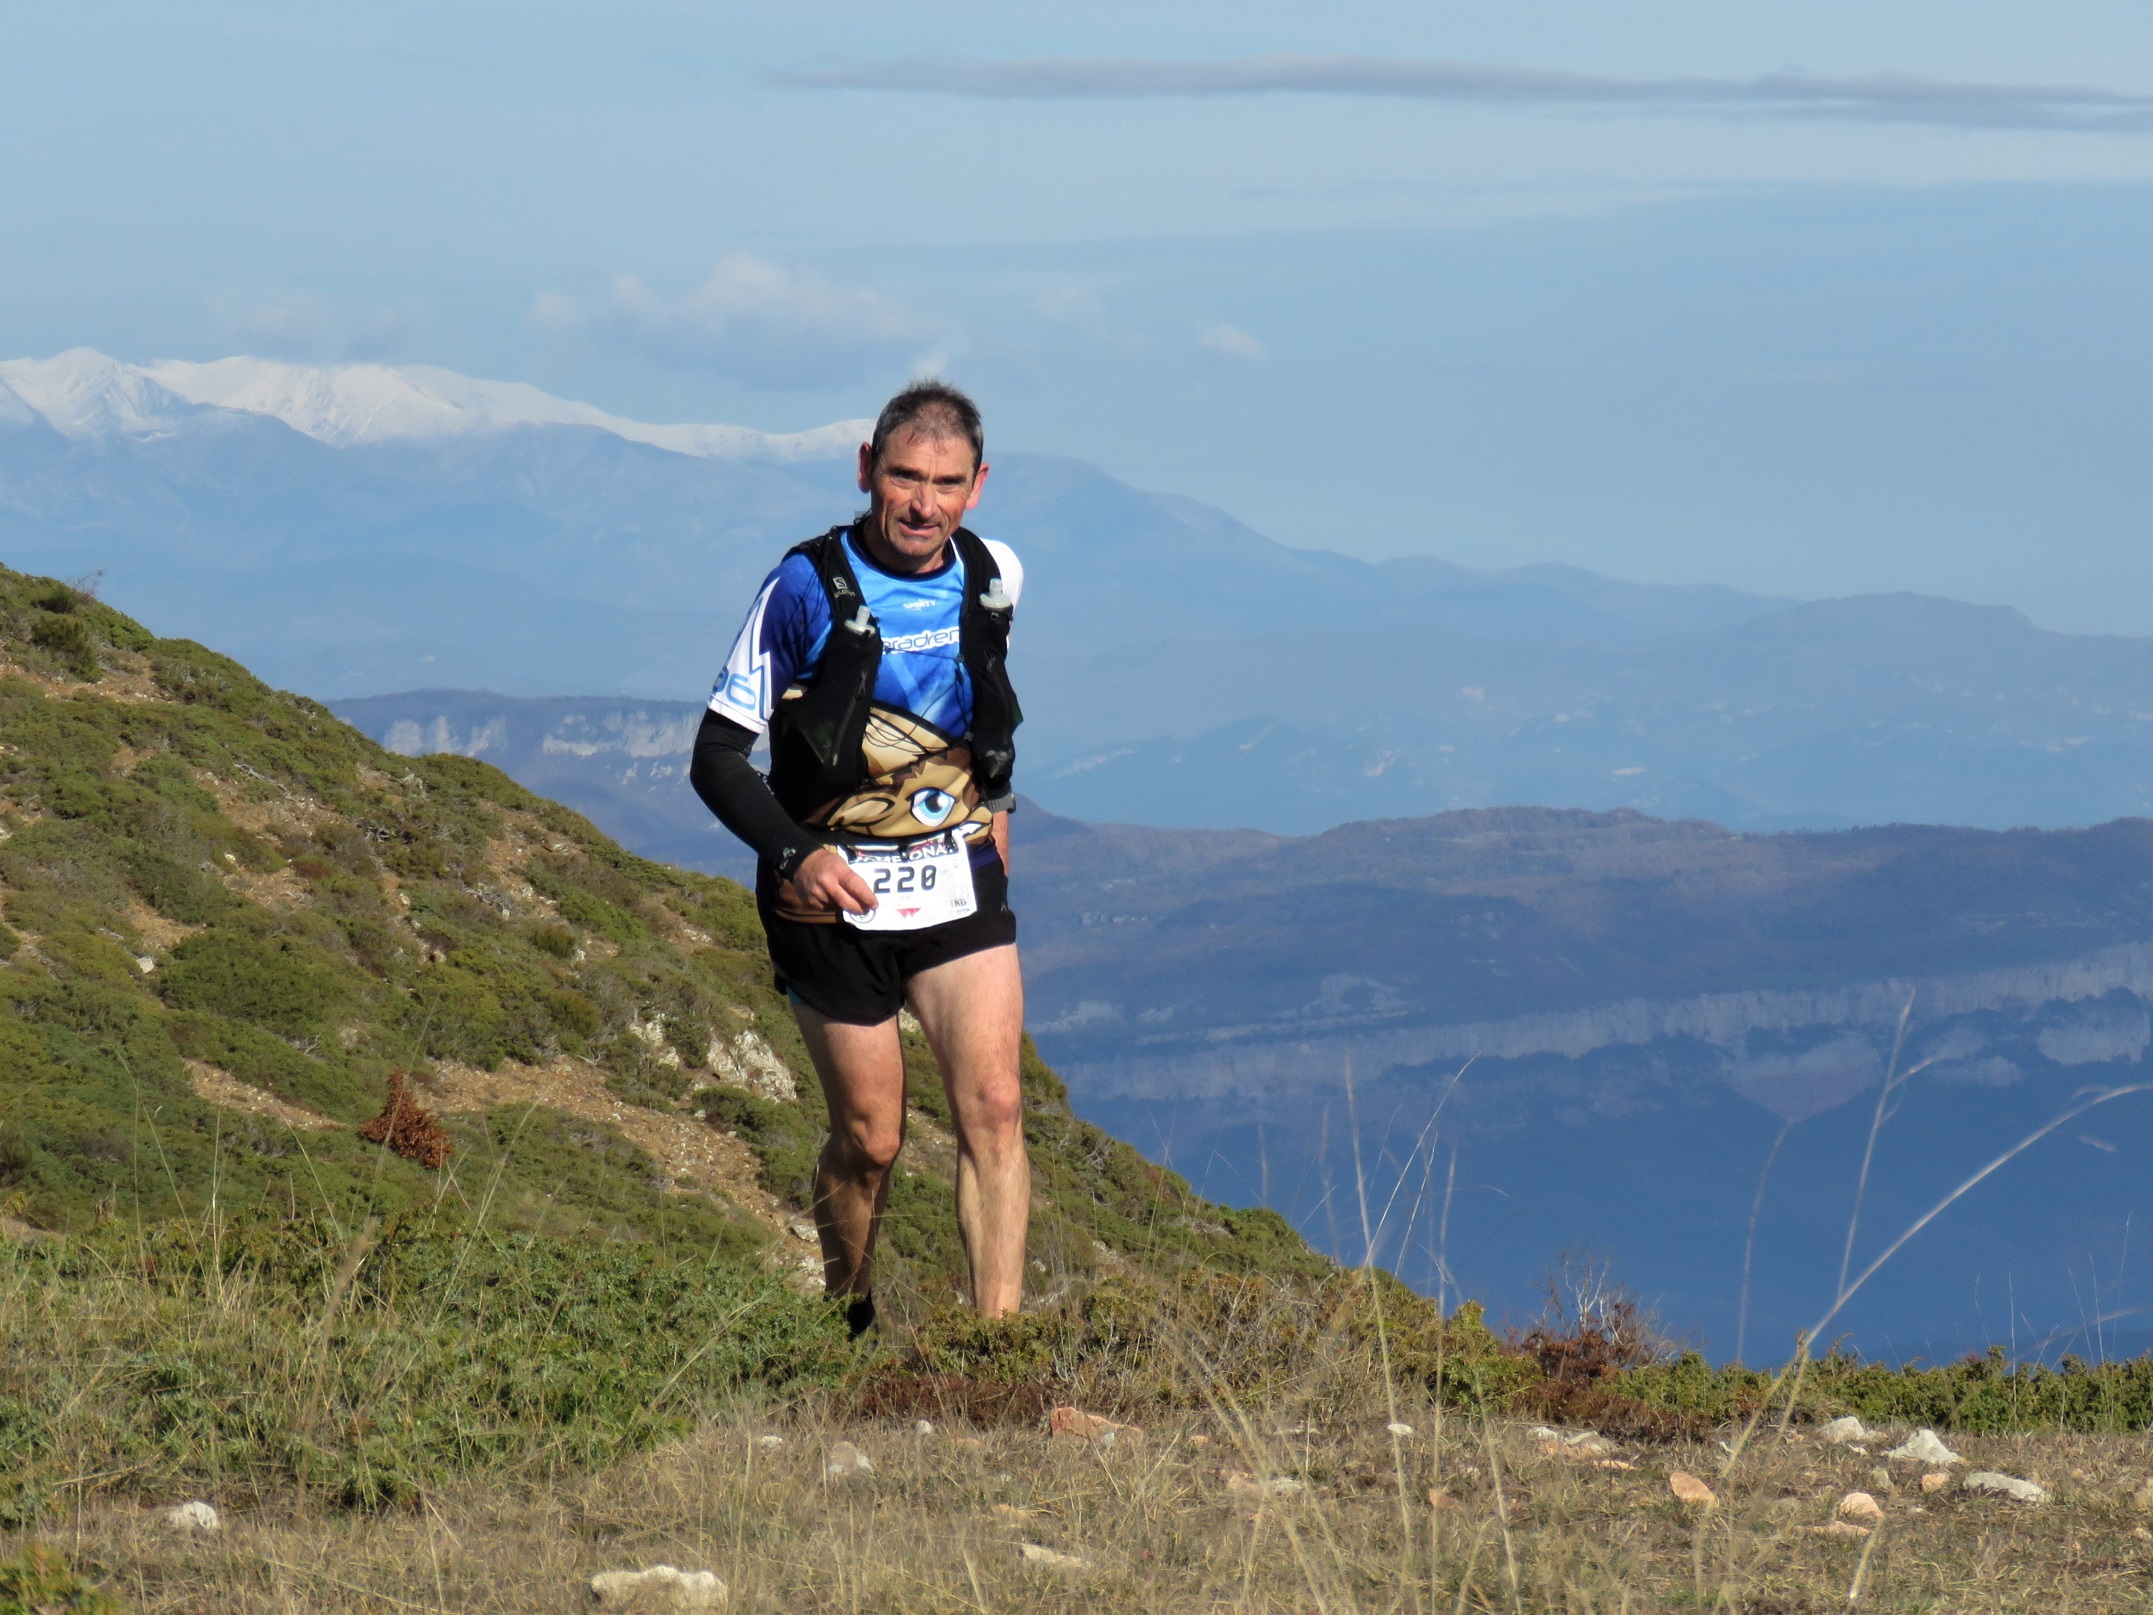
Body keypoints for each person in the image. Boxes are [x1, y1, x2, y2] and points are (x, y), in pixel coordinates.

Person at [689, 381, 1029, 1332]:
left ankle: (998, 1355)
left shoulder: (993, 573)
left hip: (955, 874)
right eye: (904, 477)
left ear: (977, 485)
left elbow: (988, 705)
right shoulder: (803, 587)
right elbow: (716, 756)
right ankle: (845, 1323)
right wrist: (795, 853)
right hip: (830, 896)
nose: (924, 503)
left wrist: (996, 811)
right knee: (871, 1140)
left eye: (947, 483)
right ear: (866, 470)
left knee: (996, 1106)